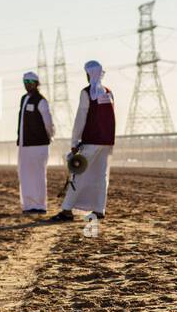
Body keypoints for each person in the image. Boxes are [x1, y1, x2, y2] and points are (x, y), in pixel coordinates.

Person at [49, 60, 114, 222]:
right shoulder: (108, 92)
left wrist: (74, 142)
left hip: (91, 141)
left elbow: (80, 119)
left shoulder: (86, 93)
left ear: (89, 74)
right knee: (101, 175)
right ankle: (99, 209)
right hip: (107, 142)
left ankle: (66, 210)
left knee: (77, 174)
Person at [16, 71, 55, 214]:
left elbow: (48, 122)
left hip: (39, 145)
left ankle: (40, 206)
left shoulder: (41, 100)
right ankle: (28, 205)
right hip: (24, 145)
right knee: (25, 175)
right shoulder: (23, 99)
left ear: (36, 84)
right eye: (25, 82)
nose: (27, 85)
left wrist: (50, 136)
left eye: (30, 82)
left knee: (38, 175)